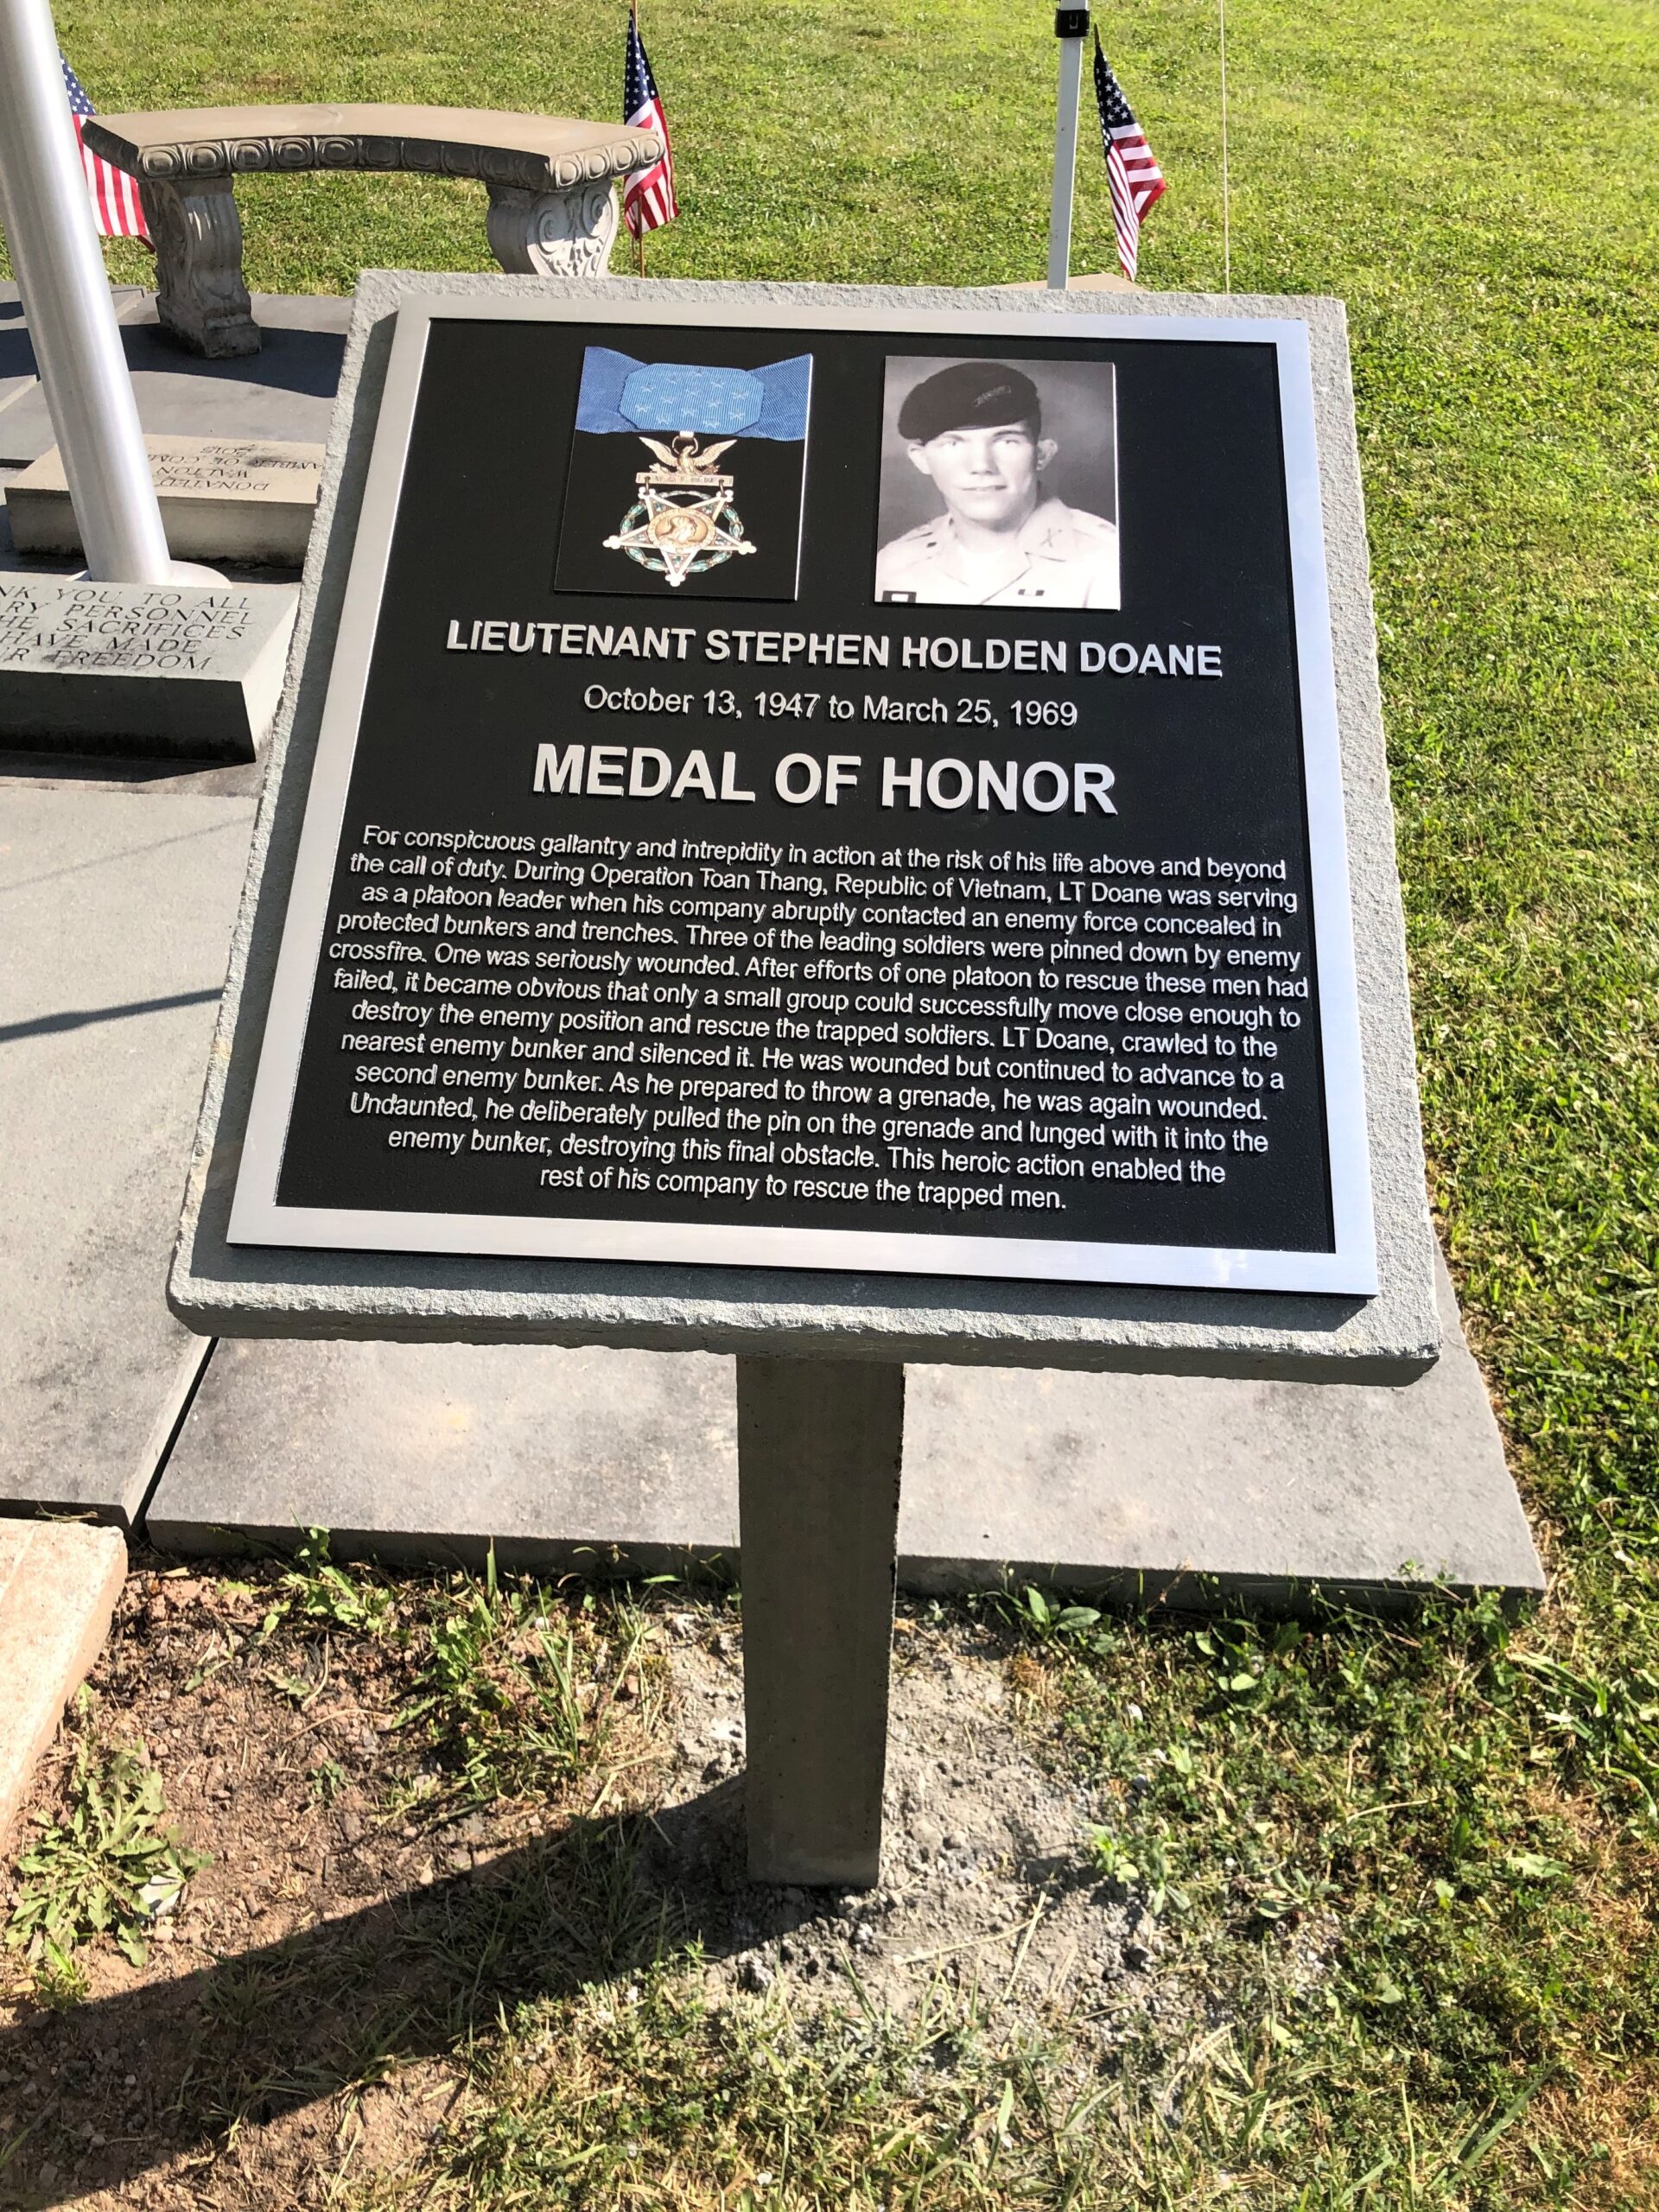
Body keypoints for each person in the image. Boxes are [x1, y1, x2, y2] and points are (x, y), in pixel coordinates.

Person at [874, 360, 1120, 608]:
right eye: (953, 444)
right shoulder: (893, 564)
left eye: (1007, 441)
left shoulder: (1107, 560)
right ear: (921, 459)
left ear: (1042, 455)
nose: (982, 465)